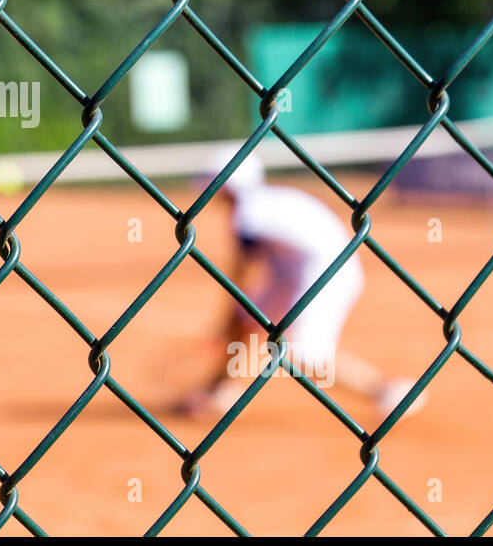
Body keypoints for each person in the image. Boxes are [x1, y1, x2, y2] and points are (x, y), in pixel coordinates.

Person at [177, 150, 423, 421]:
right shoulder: (265, 201)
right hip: (296, 273)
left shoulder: (248, 212)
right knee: (243, 319)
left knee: (304, 354)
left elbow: (242, 277)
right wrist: (231, 319)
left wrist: (223, 321)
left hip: (327, 274)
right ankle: (219, 392)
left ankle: (388, 391)